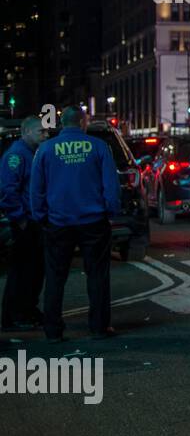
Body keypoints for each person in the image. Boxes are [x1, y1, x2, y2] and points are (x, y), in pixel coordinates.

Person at [30, 106, 121, 343]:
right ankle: (99, 327)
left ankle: (53, 330)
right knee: (98, 275)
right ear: (83, 123)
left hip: (58, 222)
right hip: (93, 221)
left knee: (55, 277)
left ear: (62, 123)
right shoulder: (99, 147)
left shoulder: (45, 149)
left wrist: (41, 216)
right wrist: (111, 212)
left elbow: (36, 188)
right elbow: (111, 185)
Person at [1, 116, 46, 330]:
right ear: (26, 132)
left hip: (33, 220)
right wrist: (20, 219)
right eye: (41, 132)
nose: (45, 135)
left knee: (34, 269)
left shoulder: (31, 153)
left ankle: (27, 309)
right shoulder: (16, 156)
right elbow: (8, 191)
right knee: (22, 270)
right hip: (25, 222)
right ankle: (16, 314)